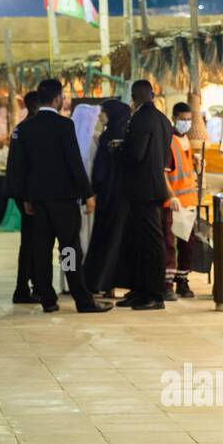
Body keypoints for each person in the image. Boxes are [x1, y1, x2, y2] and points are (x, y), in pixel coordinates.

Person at [12, 80, 109, 314]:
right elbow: (74, 163)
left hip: (37, 202)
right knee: (69, 250)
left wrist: (25, 198)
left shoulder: (25, 128)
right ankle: (82, 299)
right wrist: (87, 194)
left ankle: (48, 299)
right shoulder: (64, 126)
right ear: (57, 99)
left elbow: (19, 167)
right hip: (63, 201)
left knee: (41, 250)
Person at [114, 81, 172, 311]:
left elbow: (136, 155)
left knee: (150, 242)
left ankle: (154, 294)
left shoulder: (140, 119)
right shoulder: (163, 119)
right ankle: (140, 289)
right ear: (153, 93)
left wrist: (118, 151)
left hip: (143, 189)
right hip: (152, 186)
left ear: (133, 97)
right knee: (139, 241)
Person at [81, 97, 133, 299]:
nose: (101, 116)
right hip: (122, 196)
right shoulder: (125, 134)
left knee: (105, 238)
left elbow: (100, 169)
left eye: (104, 112)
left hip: (108, 195)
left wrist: (93, 189)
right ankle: (111, 283)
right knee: (116, 240)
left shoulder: (109, 135)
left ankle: (99, 281)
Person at [6, 90, 43, 303]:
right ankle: (27, 287)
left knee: (30, 241)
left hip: (22, 193)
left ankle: (31, 285)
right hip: (30, 196)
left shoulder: (21, 128)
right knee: (33, 241)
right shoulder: (31, 129)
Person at [164, 101, 198, 300]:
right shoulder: (169, 141)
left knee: (187, 244)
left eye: (188, 120)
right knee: (170, 244)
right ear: (174, 118)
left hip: (189, 202)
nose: (186, 123)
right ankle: (167, 284)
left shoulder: (187, 141)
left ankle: (182, 281)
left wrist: (196, 163)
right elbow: (164, 173)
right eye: (182, 119)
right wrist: (171, 195)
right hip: (173, 202)